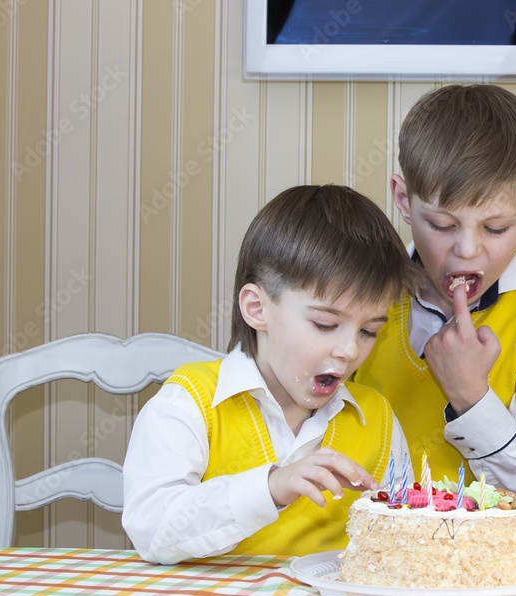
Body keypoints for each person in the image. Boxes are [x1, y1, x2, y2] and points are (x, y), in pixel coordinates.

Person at [123, 185, 420, 565]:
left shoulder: (376, 420)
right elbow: (151, 530)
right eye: (326, 324)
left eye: (368, 332)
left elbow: (403, 540)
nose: (350, 351)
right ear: (257, 308)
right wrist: (269, 488)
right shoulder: (189, 402)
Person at [353, 84, 516, 514]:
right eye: (442, 225)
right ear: (404, 201)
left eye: (495, 229)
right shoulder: (357, 294)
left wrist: (471, 398)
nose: (467, 251)